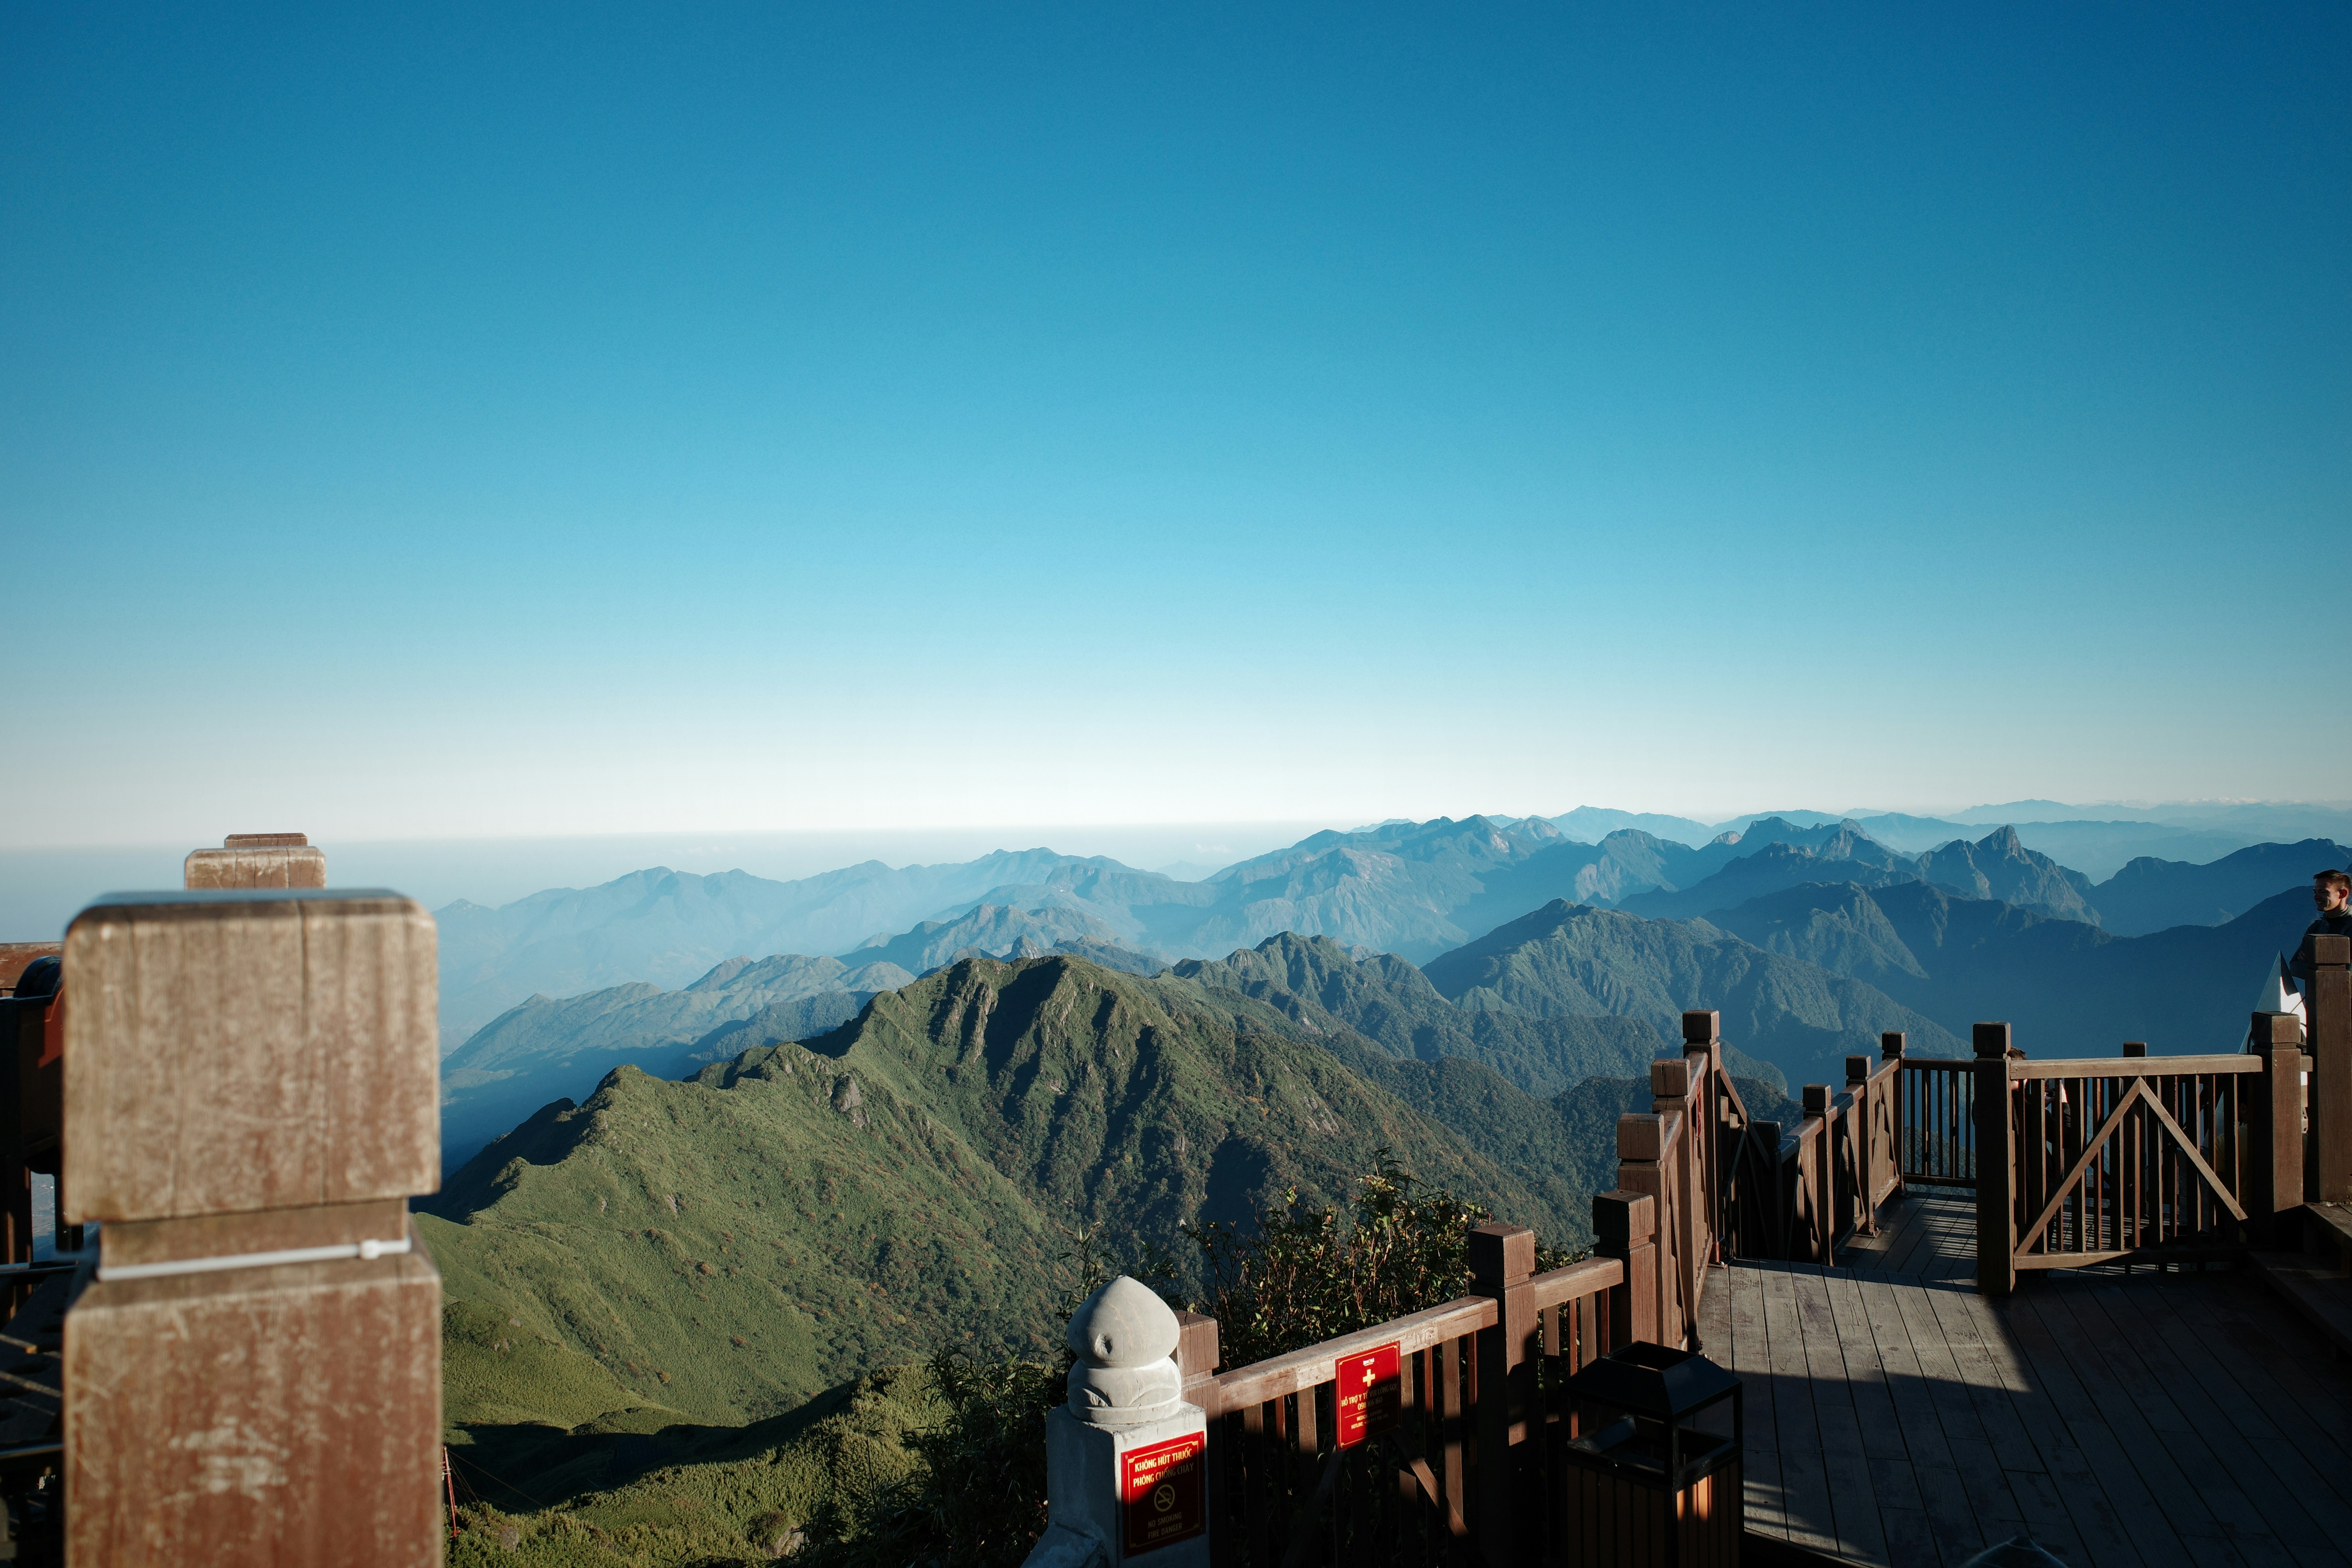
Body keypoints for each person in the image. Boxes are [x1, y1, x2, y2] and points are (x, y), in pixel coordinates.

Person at [2289, 869, 2352, 988]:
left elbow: (2348, 976)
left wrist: (2314, 962)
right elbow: (2295, 967)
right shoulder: (2317, 927)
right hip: (2320, 998)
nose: (2316, 897)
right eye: (2315, 892)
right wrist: (2330, 967)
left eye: (2323, 892)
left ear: (2343, 894)